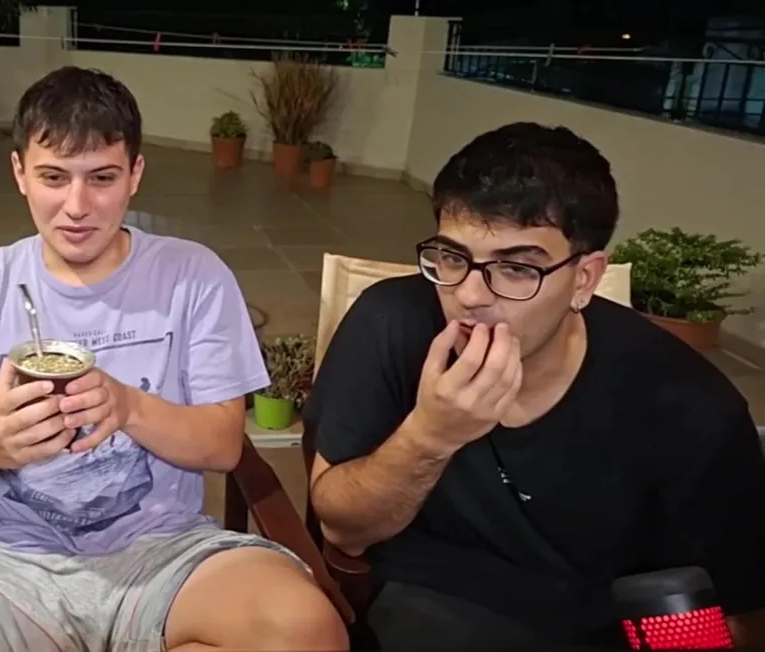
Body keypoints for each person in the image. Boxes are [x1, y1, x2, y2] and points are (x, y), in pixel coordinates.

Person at [0, 66, 348, 652]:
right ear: (19, 173)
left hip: (168, 552)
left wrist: (127, 406)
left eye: (102, 177)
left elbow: (222, 445)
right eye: (53, 177)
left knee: (306, 631)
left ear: (135, 174)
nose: (76, 207)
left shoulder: (193, 277)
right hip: (12, 561)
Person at [306, 121, 765, 650]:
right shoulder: (392, 322)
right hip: (424, 607)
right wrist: (431, 435)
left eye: (517, 268)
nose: (470, 295)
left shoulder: (690, 408)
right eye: (453, 257)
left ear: (585, 278)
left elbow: (737, 614)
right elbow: (342, 529)